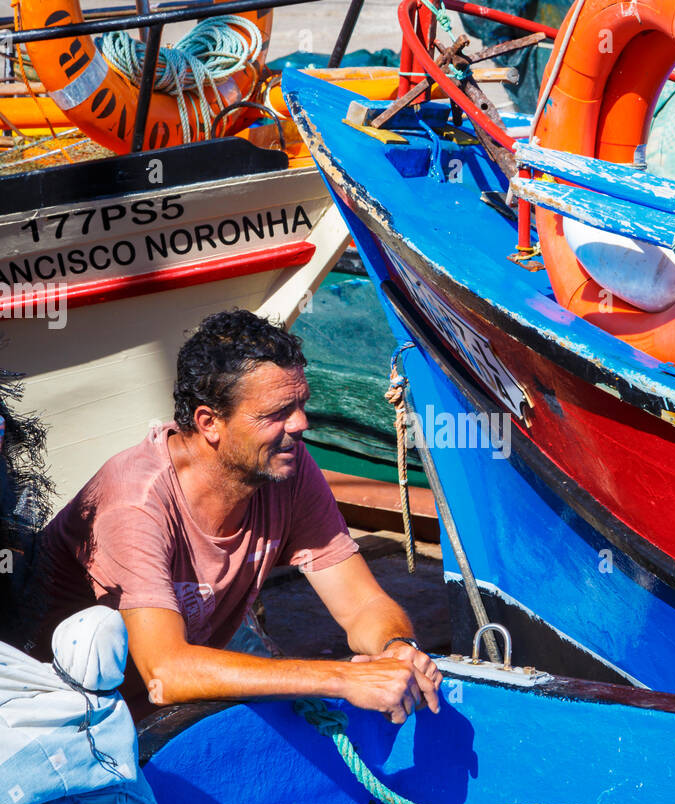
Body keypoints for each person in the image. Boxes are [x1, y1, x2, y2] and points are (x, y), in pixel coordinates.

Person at [30, 310, 441, 724]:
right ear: (209, 422)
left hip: (162, 714)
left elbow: (361, 604)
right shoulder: (133, 503)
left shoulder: (286, 465)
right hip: (61, 727)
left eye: (301, 404)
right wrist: (342, 678)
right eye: (277, 413)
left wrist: (395, 648)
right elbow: (166, 672)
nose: (301, 424)